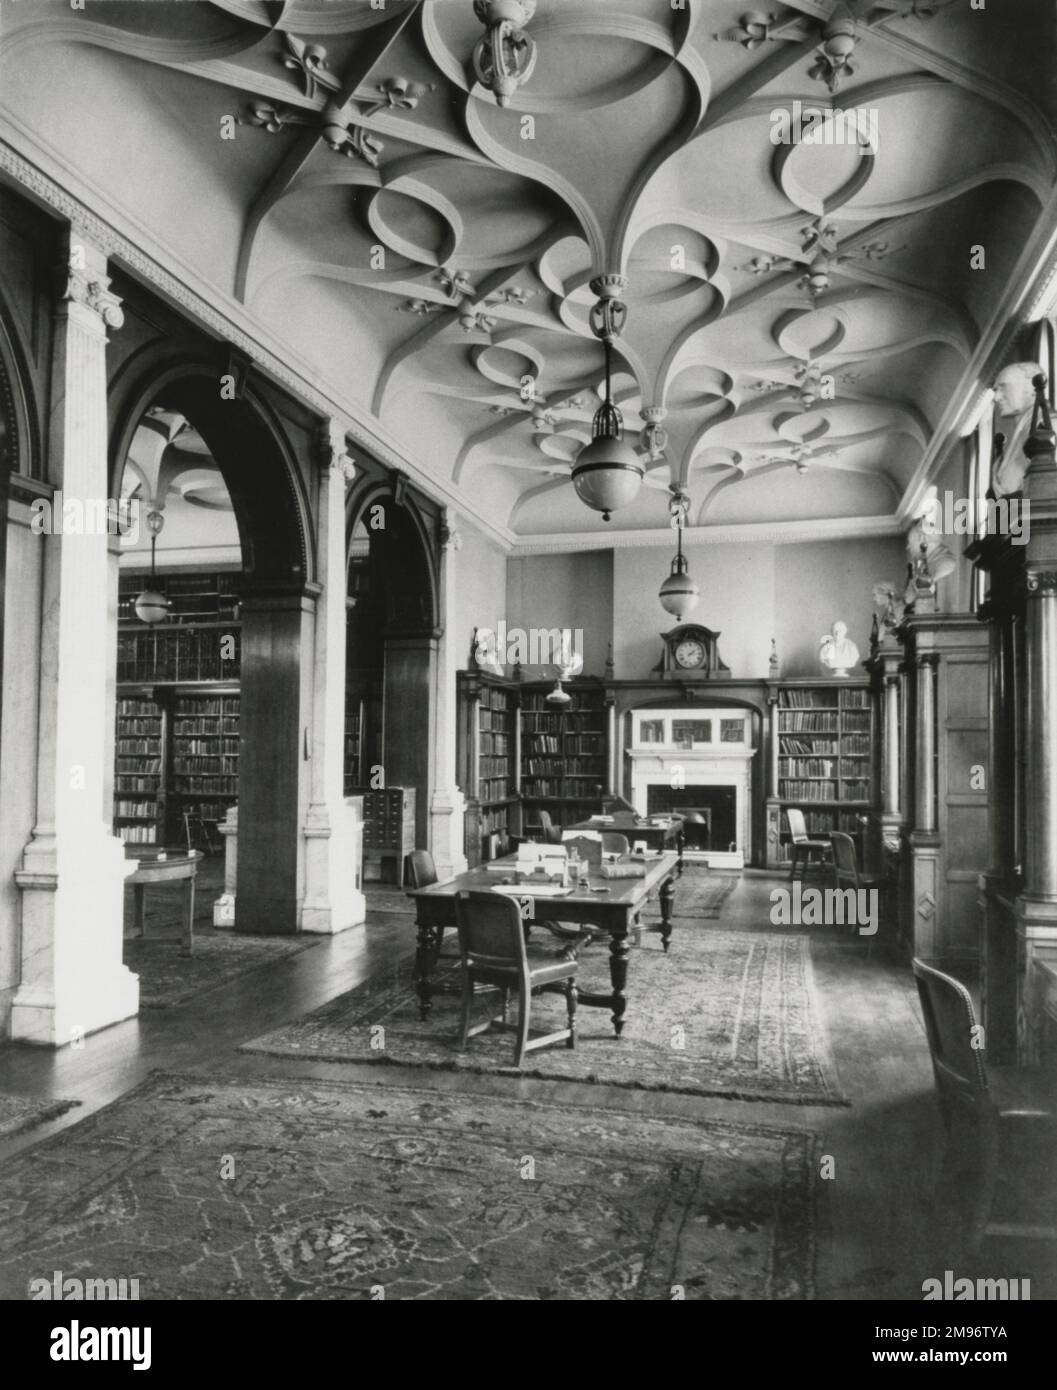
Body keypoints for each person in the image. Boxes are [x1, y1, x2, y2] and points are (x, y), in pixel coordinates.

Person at [991, 361, 1042, 498]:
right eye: (996, 390)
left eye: (1003, 387)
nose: (996, 397)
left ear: (1031, 388)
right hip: (1014, 517)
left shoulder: (1048, 428)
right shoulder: (1020, 432)